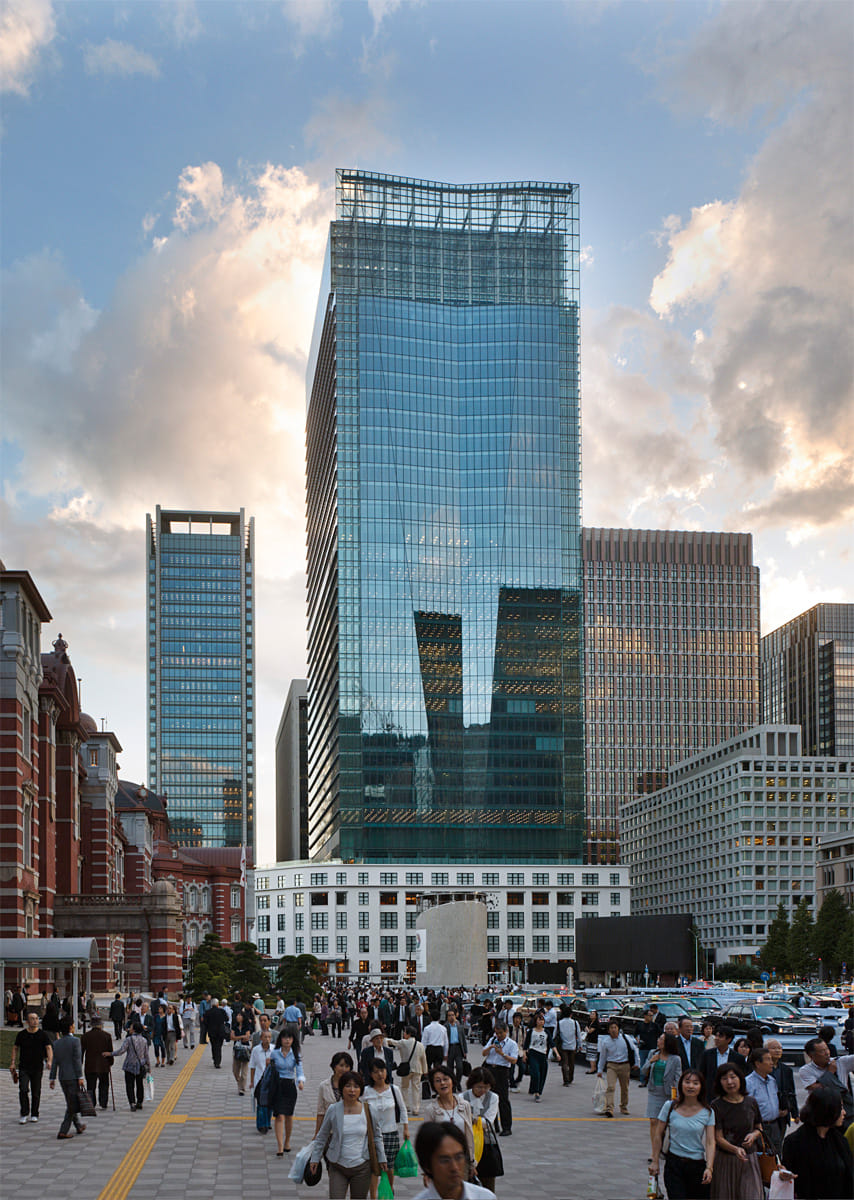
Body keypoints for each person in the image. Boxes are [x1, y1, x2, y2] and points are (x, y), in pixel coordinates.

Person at [307, 1069, 387, 1198]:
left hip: (362, 1167)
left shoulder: (368, 1110)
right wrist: (315, 1158)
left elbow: (377, 1136)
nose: (352, 1090)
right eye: (348, 1086)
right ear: (341, 1088)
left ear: (361, 1089)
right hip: (338, 1166)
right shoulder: (333, 1109)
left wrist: (382, 1157)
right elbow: (322, 1136)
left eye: (356, 1086)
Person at [650, 1070, 715, 1200]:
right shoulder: (670, 1106)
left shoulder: (708, 1111)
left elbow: (710, 1141)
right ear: (681, 1084)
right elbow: (658, 1134)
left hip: (698, 1166)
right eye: (687, 1082)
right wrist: (655, 1161)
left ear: (701, 1087)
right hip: (674, 1164)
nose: (691, 1086)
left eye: (695, 1083)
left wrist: (709, 1168)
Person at [782, 1087, 854, 1199]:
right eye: (840, 1108)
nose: (844, 1112)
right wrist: (783, 1175)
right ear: (828, 1110)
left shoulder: (840, 1141)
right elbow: (789, 1178)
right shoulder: (794, 1142)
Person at [710, 1063, 764, 1200]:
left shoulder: (751, 1102)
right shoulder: (716, 1105)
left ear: (740, 1079)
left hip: (749, 1159)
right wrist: (735, 1149)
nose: (729, 1082)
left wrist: (753, 1135)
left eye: (733, 1077)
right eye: (724, 1078)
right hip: (726, 1160)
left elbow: (759, 1127)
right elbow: (718, 1137)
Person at [412, 1122, 496, 1200]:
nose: (454, 1167)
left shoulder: (485, 1197)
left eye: (459, 1157)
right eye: (445, 1160)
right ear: (427, 1166)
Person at [364, 1057, 410, 1199]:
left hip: (391, 1133)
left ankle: (389, 1191)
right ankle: (373, 1196)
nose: (380, 1074)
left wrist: (406, 1129)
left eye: (382, 1070)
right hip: (371, 1135)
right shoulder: (366, 1091)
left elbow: (402, 1109)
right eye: (376, 1071)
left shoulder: (394, 1090)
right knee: (373, 1168)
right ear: (370, 1074)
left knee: (389, 1167)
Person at [424, 1064, 476, 1178]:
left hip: (462, 1161)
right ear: (433, 1086)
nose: (442, 1083)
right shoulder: (431, 1110)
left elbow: (469, 1135)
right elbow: (426, 1141)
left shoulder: (464, 1105)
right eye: (438, 1081)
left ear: (452, 1081)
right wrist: (427, 1171)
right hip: (441, 1163)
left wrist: (472, 1162)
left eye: (446, 1079)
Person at [642, 1032, 683, 1159]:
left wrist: (676, 1094)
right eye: (659, 1038)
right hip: (654, 1091)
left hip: (668, 1093)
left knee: (664, 1123)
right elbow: (643, 1071)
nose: (658, 1041)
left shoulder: (675, 1059)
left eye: (661, 1039)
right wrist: (650, 1062)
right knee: (653, 1121)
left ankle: (662, 1148)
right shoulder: (653, 1054)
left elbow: (678, 1077)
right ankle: (654, 1152)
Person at [461, 1067, 502, 1194]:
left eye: (486, 1087)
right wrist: (477, 1120)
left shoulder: (493, 1097)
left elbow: (488, 1121)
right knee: (467, 1183)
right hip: (467, 1144)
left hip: (487, 1144)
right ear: (472, 1085)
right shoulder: (462, 1097)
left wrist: (472, 1119)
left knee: (488, 1183)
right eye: (479, 1087)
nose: (483, 1090)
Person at [799, 1038, 854, 1129]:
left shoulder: (840, 1062)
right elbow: (817, 1089)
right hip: (822, 1114)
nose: (827, 1053)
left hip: (844, 1112)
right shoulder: (806, 1070)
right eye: (822, 1051)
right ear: (811, 1055)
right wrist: (829, 1073)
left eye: (827, 1049)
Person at [10, 1009, 53, 1123]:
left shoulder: (43, 1035)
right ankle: (24, 1113)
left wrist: (49, 1061)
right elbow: (15, 1048)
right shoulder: (22, 1035)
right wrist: (13, 1062)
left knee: (36, 1091)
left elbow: (49, 1048)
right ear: (27, 1022)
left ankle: (34, 1113)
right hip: (24, 1067)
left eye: (36, 1019)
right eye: (32, 1019)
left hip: (37, 1067)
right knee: (23, 1089)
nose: (35, 1021)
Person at [49, 1016, 87, 1139]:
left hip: (62, 1077)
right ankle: (63, 1131)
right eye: (74, 1025)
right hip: (73, 1077)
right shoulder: (75, 1041)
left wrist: (52, 1078)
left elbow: (55, 1061)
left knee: (71, 1101)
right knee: (71, 1105)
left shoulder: (57, 1043)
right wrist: (80, 1076)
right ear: (70, 1027)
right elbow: (77, 1060)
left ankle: (78, 1126)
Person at [269, 1027, 305, 1155]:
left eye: (290, 1038)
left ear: (293, 1040)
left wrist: (300, 1082)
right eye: (285, 1037)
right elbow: (270, 1069)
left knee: (289, 1116)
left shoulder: (295, 1054)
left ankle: (287, 1141)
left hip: (290, 1086)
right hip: (277, 1086)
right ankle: (279, 1146)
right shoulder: (274, 1053)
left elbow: (300, 1071)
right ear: (281, 1039)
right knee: (279, 1116)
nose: (287, 1040)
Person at [597, 1017, 638, 1117]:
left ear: (618, 1028)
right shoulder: (605, 1042)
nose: (613, 1029)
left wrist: (637, 1063)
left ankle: (623, 1106)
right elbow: (602, 1056)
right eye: (611, 1028)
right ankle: (609, 1108)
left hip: (625, 1065)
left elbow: (634, 1050)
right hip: (612, 1065)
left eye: (615, 1027)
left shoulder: (626, 1038)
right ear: (608, 1030)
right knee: (610, 1087)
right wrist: (600, 1069)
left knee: (624, 1087)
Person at [745, 1047, 784, 1155]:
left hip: (775, 1125)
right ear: (758, 1064)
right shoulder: (748, 1083)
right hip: (759, 1127)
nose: (771, 1063)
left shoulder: (772, 1081)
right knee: (762, 1157)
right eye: (768, 1059)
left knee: (777, 1156)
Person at [482, 1021, 517, 1136]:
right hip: (490, 1069)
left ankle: (506, 1127)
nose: (498, 1035)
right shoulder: (492, 1040)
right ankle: (493, 1124)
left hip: (502, 1071)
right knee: (489, 1098)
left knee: (503, 1099)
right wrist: (491, 1047)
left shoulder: (512, 1044)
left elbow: (514, 1060)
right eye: (496, 1033)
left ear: (506, 1031)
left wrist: (502, 1054)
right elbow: (483, 1053)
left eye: (500, 1033)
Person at [387, 1025, 429, 1116]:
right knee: (416, 1089)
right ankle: (416, 1108)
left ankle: (406, 1106)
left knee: (405, 1088)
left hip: (406, 1069)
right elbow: (423, 1059)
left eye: (405, 1032)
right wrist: (425, 1071)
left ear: (409, 1034)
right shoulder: (420, 1045)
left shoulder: (403, 1042)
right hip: (418, 1069)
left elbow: (392, 1042)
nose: (404, 1034)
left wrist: (383, 1038)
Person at [111, 1020, 150, 1111]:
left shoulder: (129, 1039)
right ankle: (139, 1102)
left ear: (134, 1029)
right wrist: (149, 1067)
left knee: (129, 1085)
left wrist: (111, 1054)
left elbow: (121, 1051)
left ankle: (132, 1102)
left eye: (131, 1027)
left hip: (129, 1065)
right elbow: (146, 1055)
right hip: (140, 1065)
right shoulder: (144, 1040)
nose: (130, 1029)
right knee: (140, 1084)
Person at [315, 1051, 355, 1133]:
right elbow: (320, 1112)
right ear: (334, 1066)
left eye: (347, 1066)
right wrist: (317, 1134)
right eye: (341, 1065)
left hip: (348, 1131)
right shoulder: (324, 1086)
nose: (344, 1069)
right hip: (329, 1131)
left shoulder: (354, 1087)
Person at [701, 1025, 742, 1103]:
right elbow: (702, 1074)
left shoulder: (737, 1057)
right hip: (710, 1094)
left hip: (730, 1093)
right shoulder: (707, 1054)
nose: (717, 1038)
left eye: (720, 1036)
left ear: (729, 1040)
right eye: (716, 1035)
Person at [81, 1015, 113, 1110]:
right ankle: (103, 1102)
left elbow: (81, 1052)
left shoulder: (85, 1036)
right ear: (100, 1025)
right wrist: (110, 1062)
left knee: (91, 1086)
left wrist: (80, 1063)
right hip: (104, 1065)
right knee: (104, 1084)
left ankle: (92, 1103)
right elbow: (110, 1051)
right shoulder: (107, 1036)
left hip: (90, 1065)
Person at [766, 1038, 798, 1130]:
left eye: (780, 1048)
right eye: (773, 1048)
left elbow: (791, 1091)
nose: (777, 1051)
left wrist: (794, 1113)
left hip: (783, 1111)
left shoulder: (786, 1070)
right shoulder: (761, 1069)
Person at [249, 1028, 273, 1134]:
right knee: (261, 1103)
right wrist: (252, 1081)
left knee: (270, 1103)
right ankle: (261, 1125)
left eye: (269, 1037)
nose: (267, 1039)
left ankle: (268, 1122)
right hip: (259, 1080)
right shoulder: (256, 1050)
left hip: (271, 1080)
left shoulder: (275, 1049)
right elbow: (252, 1066)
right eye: (265, 1037)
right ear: (260, 1038)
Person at [523, 1010, 550, 1101]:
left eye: (542, 1020)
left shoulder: (546, 1032)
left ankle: (538, 1090)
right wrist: (524, 1054)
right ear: (535, 1021)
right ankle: (536, 1092)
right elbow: (526, 1044)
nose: (541, 1022)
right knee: (535, 1074)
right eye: (539, 1020)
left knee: (542, 1074)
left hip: (543, 1055)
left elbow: (551, 1043)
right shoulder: (531, 1032)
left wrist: (557, 1054)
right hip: (533, 1054)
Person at [556, 1005, 583, 1086]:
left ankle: (566, 1080)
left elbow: (555, 1034)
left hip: (563, 1045)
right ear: (571, 1014)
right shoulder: (575, 1023)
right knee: (571, 1063)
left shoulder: (559, 1023)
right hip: (572, 1046)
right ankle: (570, 1078)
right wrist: (580, 1045)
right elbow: (578, 1035)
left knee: (565, 1062)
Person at [444, 1008, 468, 1089]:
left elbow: (463, 1039)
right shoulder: (445, 1027)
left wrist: (465, 1051)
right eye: (449, 1015)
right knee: (449, 1069)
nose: (451, 1017)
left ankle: (458, 1082)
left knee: (460, 1067)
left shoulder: (459, 1026)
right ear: (447, 1017)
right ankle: (452, 1085)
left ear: (455, 1016)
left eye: (452, 1015)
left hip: (458, 1048)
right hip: (449, 1048)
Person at [231, 1006, 253, 1095]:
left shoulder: (247, 1027)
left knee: (244, 1072)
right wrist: (241, 1037)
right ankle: (240, 1083)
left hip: (245, 1050)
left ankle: (242, 1089)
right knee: (235, 1071)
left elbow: (247, 1037)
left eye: (240, 1015)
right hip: (236, 1050)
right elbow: (231, 1037)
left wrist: (238, 1038)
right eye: (237, 1015)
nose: (238, 1017)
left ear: (243, 1017)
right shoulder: (235, 1026)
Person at [204, 997, 229, 1069]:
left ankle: (215, 1058)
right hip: (220, 1032)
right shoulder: (222, 1011)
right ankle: (218, 1062)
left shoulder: (208, 1012)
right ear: (218, 1004)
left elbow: (205, 1023)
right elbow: (227, 1019)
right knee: (219, 1046)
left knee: (214, 1045)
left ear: (211, 1005)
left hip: (212, 1032)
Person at [637, 1009, 660, 1082]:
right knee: (643, 1065)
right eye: (649, 1015)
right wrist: (638, 1041)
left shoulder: (655, 1025)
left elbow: (660, 1034)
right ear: (645, 1016)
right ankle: (642, 1080)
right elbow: (635, 1034)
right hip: (643, 1048)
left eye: (652, 1016)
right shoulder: (640, 1025)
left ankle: (650, 1080)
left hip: (652, 1047)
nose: (651, 1017)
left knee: (652, 1065)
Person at [508, 1010, 527, 1091]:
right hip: (510, 1052)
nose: (517, 1020)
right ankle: (512, 1084)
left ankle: (517, 1080)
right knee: (511, 1070)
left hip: (519, 1051)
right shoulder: (509, 1028)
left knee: (522, 1068)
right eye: (516, 1018)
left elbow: (524, 1041)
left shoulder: (522, 1029)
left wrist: (525, 1053)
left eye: (519, 1018)